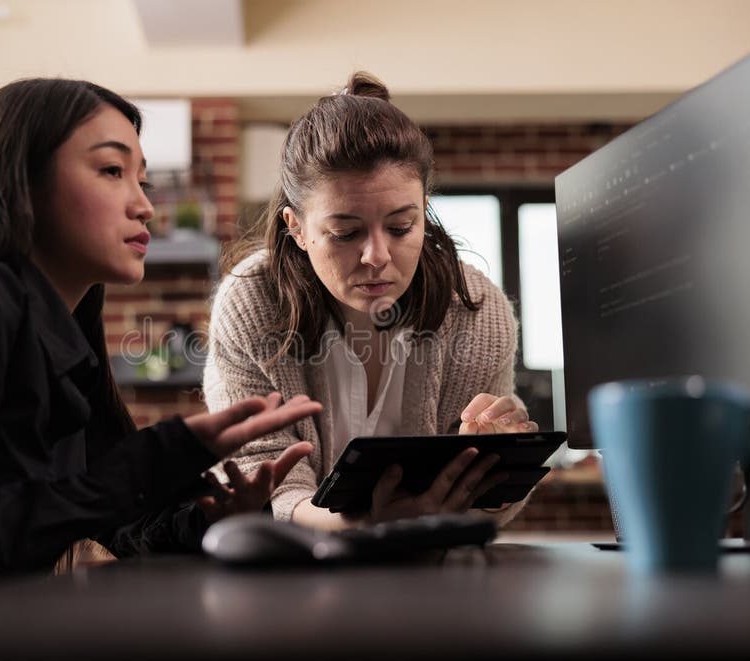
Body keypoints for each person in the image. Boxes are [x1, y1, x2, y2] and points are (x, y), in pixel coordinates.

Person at [0, 78, 320, 591]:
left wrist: (214, 516)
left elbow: (103, 523)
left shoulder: (60, 339)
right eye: (112, 171)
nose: (144, 205)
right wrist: (155, 458)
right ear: (23, 181)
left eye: (141, 180)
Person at [203, 71, 539, 531]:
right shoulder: (251, 301)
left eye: (402, 227)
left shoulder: (476, 308)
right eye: (346, 233)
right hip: (290, 575)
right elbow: (259, 469)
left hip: (431, 573)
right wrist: (361, 527)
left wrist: (501, 463)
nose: (377, 256)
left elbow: (474, 506)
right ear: (296, 228)